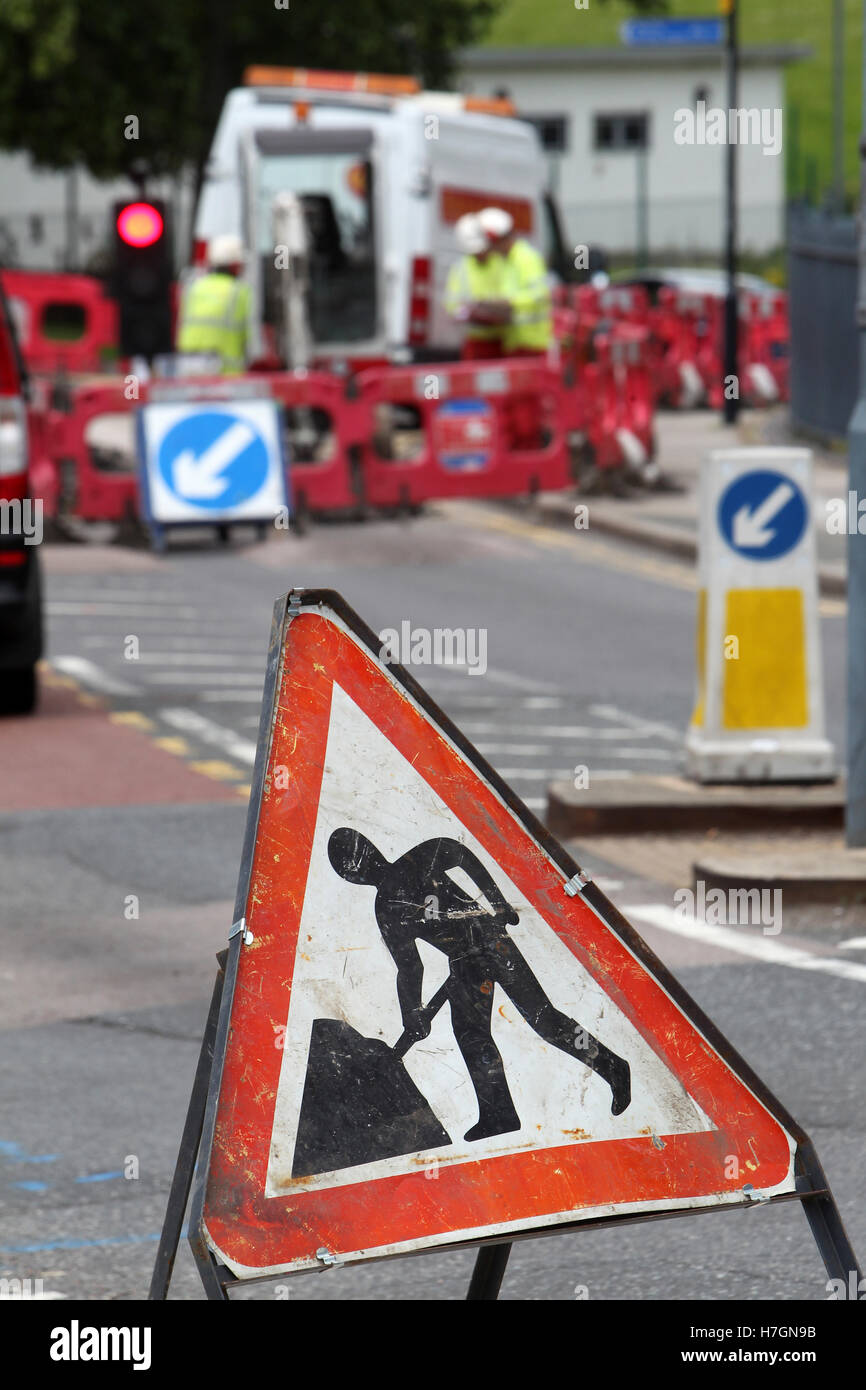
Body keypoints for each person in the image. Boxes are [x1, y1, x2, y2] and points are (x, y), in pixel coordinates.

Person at [327, 827, 632, 1143]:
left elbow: (459, 854)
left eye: (354, 868)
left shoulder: (410, 871)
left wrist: (498, 902)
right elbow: (410, 967)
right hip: (465, 961)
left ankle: (613, 1067)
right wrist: (412, 1012)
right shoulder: (390, 902)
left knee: (544, 1020)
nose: (359, 873)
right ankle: (499, 1114)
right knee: (474, 1035)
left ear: (358, 870)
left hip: (491, 944)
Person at [476, 206, 553, 357]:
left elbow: (540, 294)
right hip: (515, 343)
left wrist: (509, 302)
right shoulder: (505, 261)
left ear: (497, 240)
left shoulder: (527, 258)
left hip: (533, 345)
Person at [175, 233, 251, 374]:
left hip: (188, 366)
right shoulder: (239, 291)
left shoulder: (193, 287)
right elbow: (250, 335)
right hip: (225, 371)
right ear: (234, 265)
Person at [443, 213, 507, 361]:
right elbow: (451, 305)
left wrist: (492, 308)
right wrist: (468, 312)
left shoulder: (501, 264)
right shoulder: (461, 268)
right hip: (474, 340)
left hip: (501, 340)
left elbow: (510, 298)